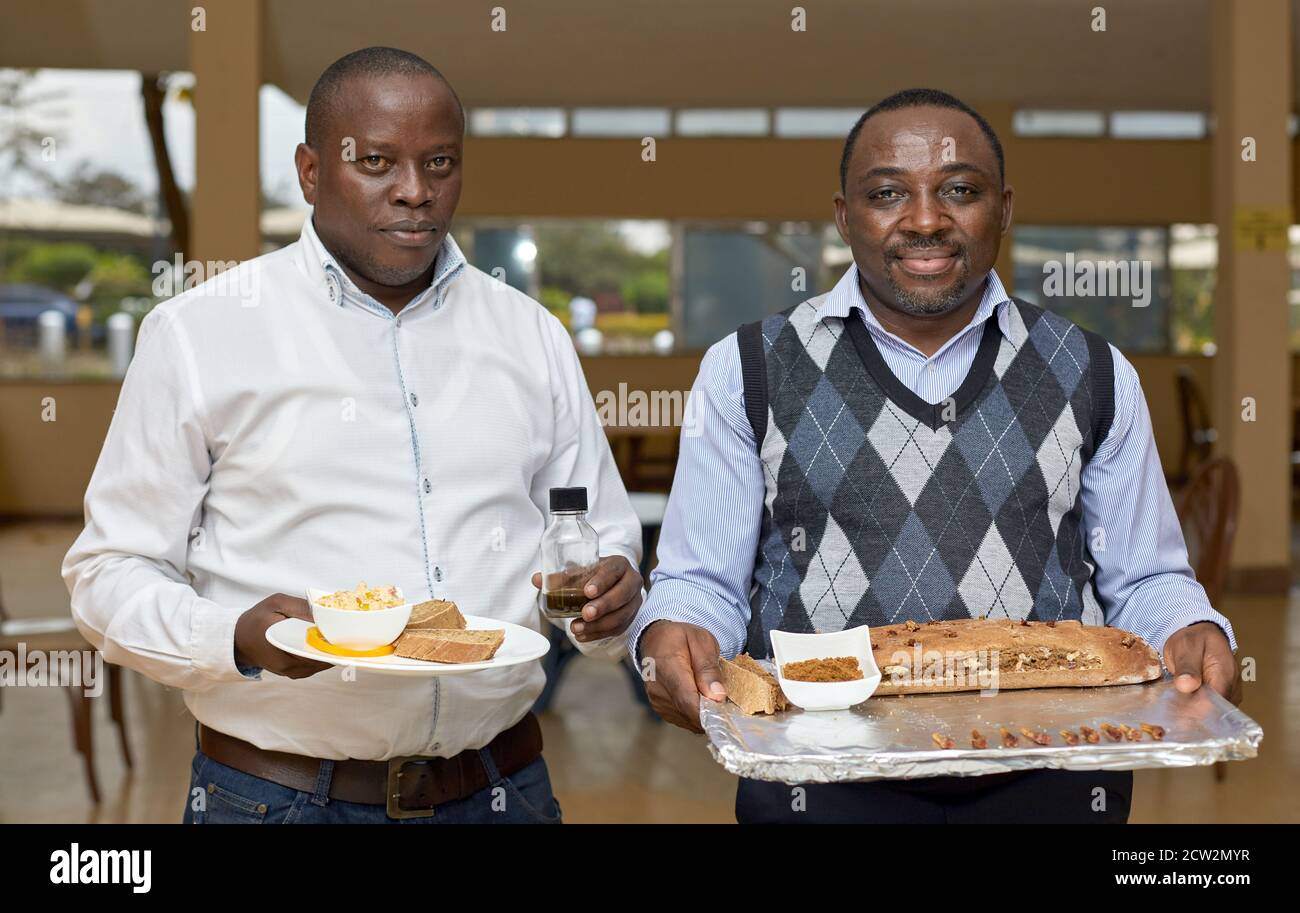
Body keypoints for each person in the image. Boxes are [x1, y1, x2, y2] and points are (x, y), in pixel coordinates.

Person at [62, 47, 643, 824]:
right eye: (376, 162)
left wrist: (610, 597)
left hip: (503, 792)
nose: (414, 191)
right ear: (310, 172)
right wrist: (231, 634)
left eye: (439, 163)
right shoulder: (199, 334)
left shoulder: (530, 336)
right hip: (276, 800)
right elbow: (108, 572)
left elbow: (598, 535)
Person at [630, 88, 1241, 824]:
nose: (925, 219)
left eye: (960, 190)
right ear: (844, 214)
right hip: (815, 781)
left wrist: (1189, 625)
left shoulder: (1094, 372)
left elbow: (1145, 579)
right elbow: (701, 582)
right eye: (888, 192)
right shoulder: (747, 369)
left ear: (1005, 209)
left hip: (1050, 775)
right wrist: (672, 632)